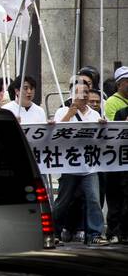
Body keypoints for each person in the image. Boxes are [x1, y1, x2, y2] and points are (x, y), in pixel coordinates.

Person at [52, 78, 107, 245]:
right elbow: (56, 134)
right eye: (79, 92)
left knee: (94, 199)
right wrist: (70, 113)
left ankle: (94, 234)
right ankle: (54, 232)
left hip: (89, 165)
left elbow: (101, 141)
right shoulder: (62, 111)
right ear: (72, 94)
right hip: (70, 164)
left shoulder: (95, 114)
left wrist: (103, 128)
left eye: (85, 92)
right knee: (63, 201)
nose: (83, 96)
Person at [103, 66, 128, 244]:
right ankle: (114, 229)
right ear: (120, 84)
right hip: (116, 157)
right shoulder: (112, 103)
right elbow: (113, 129)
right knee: (116, 197)